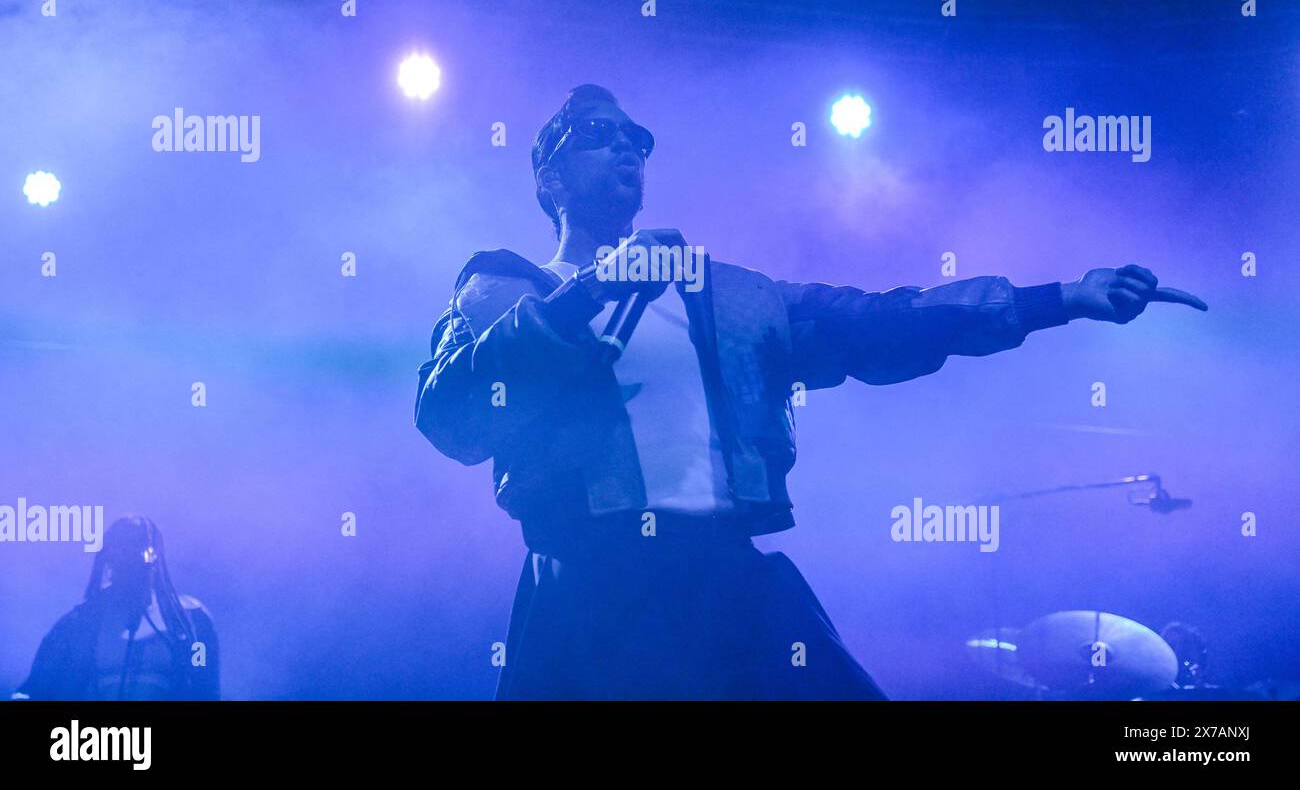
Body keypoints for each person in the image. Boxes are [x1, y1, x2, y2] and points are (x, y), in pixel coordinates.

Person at [414, 84, 1207, 699]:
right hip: (590, 581)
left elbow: (883, 321)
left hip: (725, 576)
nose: (627, 149)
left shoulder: (727, 299)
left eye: (638, 140)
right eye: (599, 136)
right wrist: (587, 296)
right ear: (549, 178)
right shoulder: (507, 291)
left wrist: (1062, 296)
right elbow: (453, 415)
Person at [12, 515, 219, 700]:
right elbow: (37, 686)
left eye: (138, 565)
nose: (133, 574)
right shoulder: (77, 627)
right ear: (110, 564)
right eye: (125, 563)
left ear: (155, 563)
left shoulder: (192, 624)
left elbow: (203, 679)